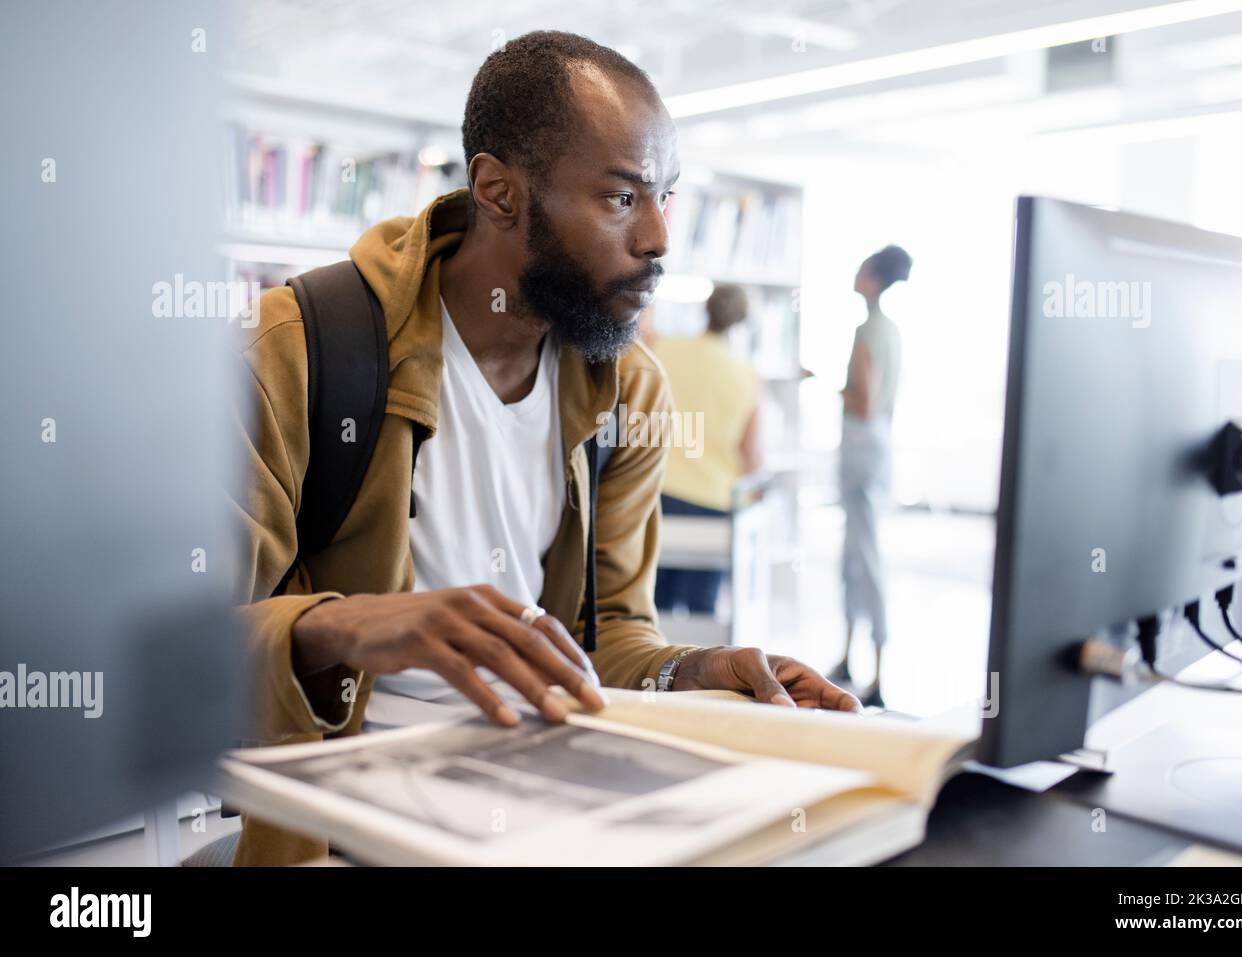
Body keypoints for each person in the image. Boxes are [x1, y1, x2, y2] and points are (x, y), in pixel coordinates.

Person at [231, 31, 861, 865]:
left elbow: (611, 641)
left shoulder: (627, 389)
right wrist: (350, 627)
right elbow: (181, 649)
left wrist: (698, 668)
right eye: (620, 198)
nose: (661, 238)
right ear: (497, 190)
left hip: (552, 807)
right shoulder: (298, 348)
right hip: (347, 830)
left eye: (666, 196)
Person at [831, 245, 911, 707]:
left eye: (862, 268)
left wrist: (829, 384)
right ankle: (851, 657)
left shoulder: (867, 330)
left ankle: (874, 669)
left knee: (862, 557)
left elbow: (863, 399)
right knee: (858, 554)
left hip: (862, 446)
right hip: (878, 446)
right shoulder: (892, 331)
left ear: (874, 278)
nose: (855, 274)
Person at [651, 285, 761, 616]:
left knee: (652, 603)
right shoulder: (747, 376)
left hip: (656, 493)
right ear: (742, 323)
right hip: (713, 505)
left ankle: (650, 667)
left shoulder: (661, 348)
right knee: (702, 609)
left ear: (705, 310)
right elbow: (751, 453)